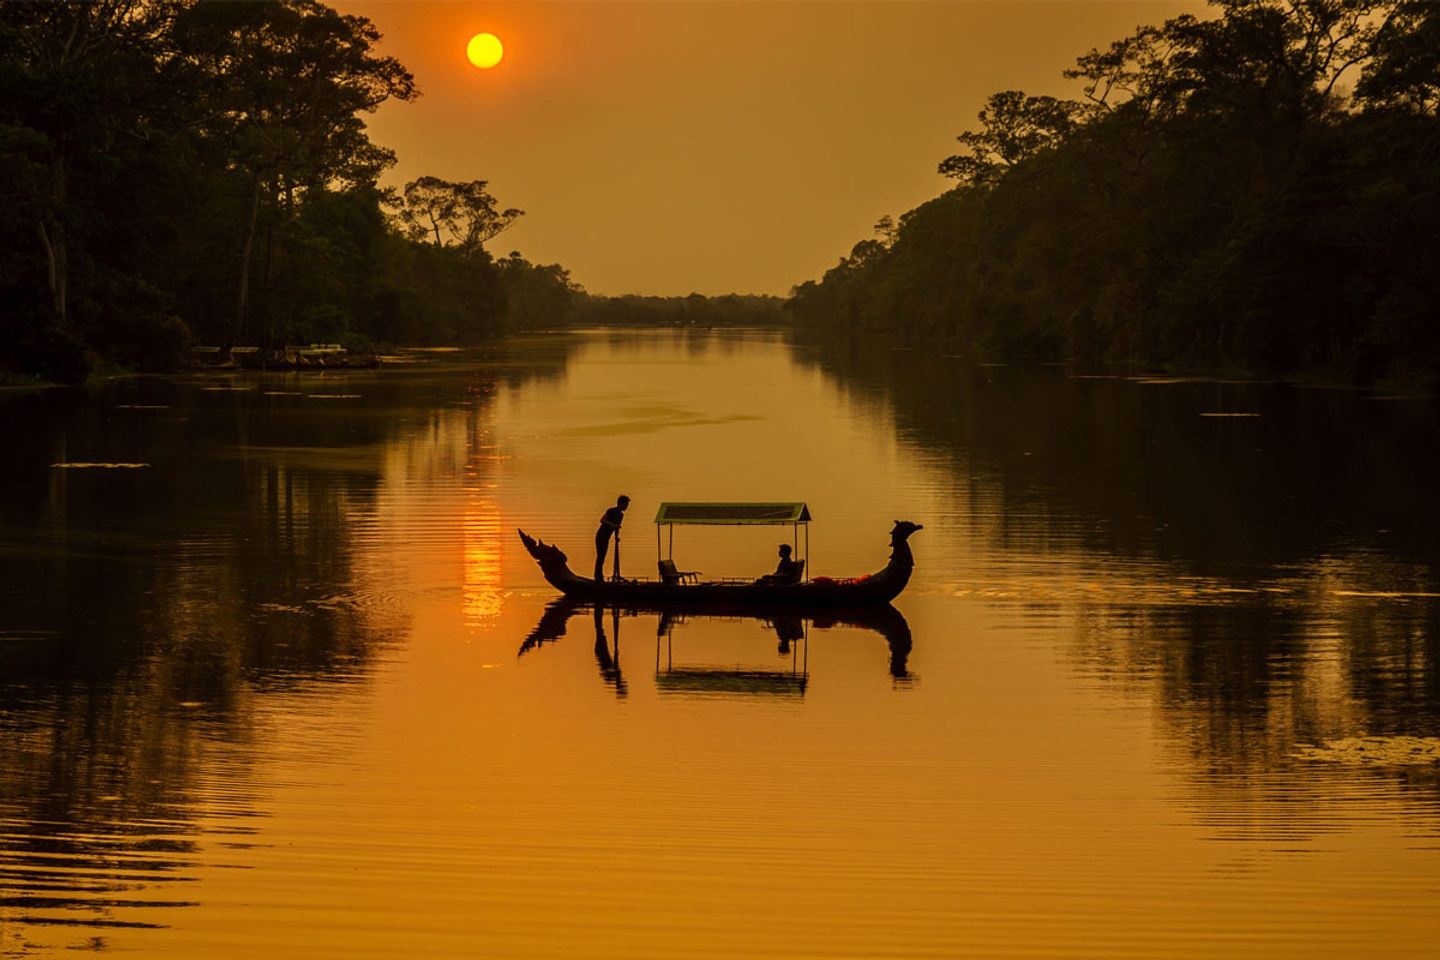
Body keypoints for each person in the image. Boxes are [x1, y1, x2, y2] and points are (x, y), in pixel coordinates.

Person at [594, 495, 629, 581]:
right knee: (600, 556)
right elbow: (602, 520)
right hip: (601, 536)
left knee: (602, 556)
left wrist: (616, 537)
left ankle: (599, 576)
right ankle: (598, 577)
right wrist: (611, 524)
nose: (627, 507)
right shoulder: (611, 511)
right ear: (620, 504)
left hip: (607, 537)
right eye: (626, 505)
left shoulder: (621, 515)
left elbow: (617, 527)